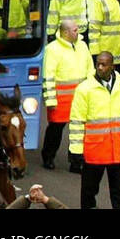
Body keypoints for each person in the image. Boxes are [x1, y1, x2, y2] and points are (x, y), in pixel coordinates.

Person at [69, 51, 120, 210]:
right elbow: (77, 122)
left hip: (117, 151)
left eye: (104, 64)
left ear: (112, 66)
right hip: (94, 151)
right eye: (97, 64)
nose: (99, 67)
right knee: (89, 191)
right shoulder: (84, 89)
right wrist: (76, 150)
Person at [41, 19, 92, 172]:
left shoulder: (82, 46)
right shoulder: (52, 49)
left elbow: (90, 69)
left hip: (81, 97)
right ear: (65, 32)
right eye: (75, 30)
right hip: (61, 99)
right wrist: (50, 100)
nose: (78, 32)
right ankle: (48, 157)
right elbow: (48, 75)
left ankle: (76, 162)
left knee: (79, 132)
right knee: (55, 130)